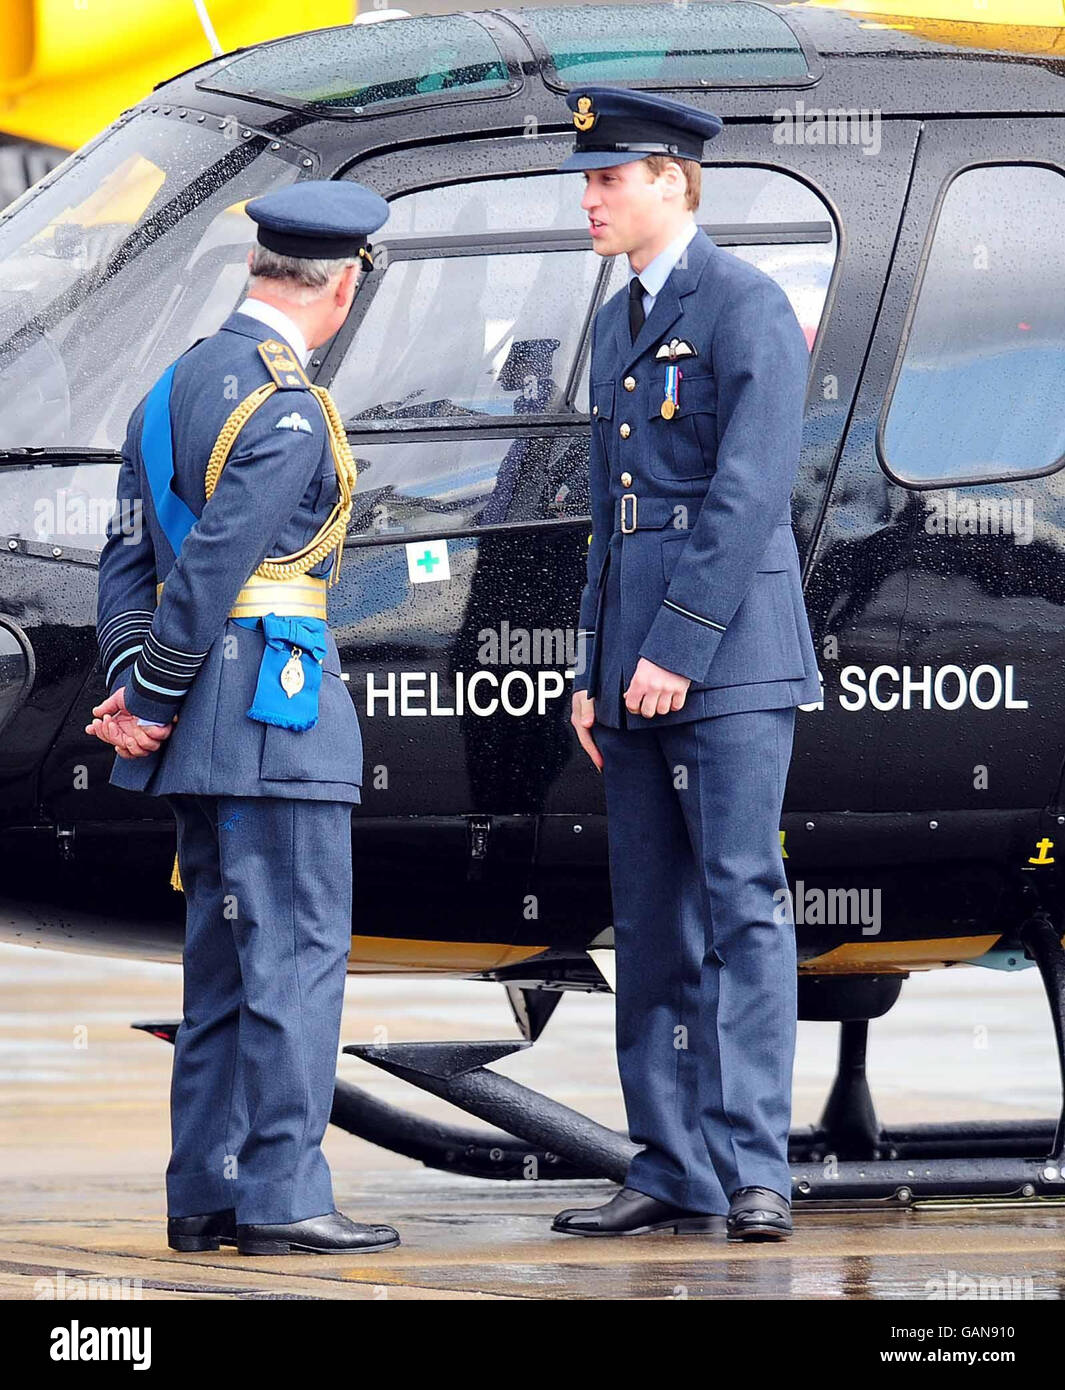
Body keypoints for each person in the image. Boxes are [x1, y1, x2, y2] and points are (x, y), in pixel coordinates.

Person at [87, 180, 401, 1257]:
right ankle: (284, 1196)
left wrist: (135, 689)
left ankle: (205, 1192)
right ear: (346, 284)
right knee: (301, 957)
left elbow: (128, 558)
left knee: (222, 967)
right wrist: (156, 694)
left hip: (193, 729)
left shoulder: (168, 387)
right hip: (275, 716)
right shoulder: (287, 407)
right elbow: (217, 566)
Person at [552, 87, 821, 1241]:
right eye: (590, 177)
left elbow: (749, 495)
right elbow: (612, 515)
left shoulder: (746, 305)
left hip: (730, 660)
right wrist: (589, 663)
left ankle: (756, 1166)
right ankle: (671, 1162)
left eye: (610, 177)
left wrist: (674, 652)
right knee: (650, 918)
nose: (591, 197)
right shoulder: (619, 317)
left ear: (672, 178)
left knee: (741, 904)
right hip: (635, 667)